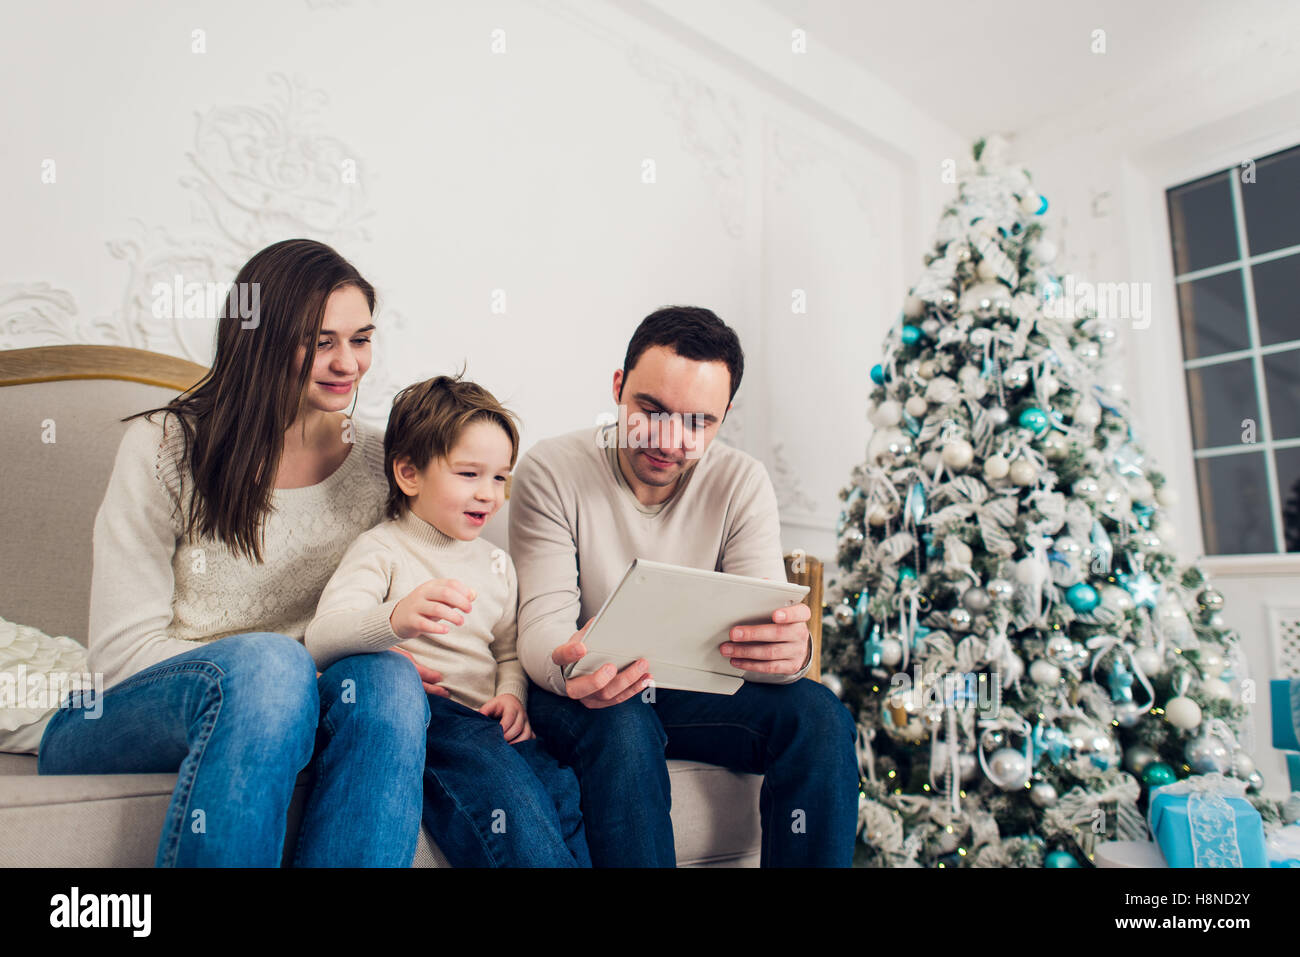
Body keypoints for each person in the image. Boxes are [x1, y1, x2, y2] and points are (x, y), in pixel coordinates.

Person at [38, 239, 430, 867]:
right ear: (261, 338)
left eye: (360, 338)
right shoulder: (164, 445)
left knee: (387, 679)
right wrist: (282, 670)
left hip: (291, 696)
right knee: (271, 668)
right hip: (124, 715)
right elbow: (119, 656)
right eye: (319, 340)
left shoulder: (380, 464)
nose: (347, 363)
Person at [510, 305, 859, 867]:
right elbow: (542, 624)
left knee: (817, 713)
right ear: (619, 388)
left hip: (687, 691)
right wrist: (574, 665)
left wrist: (793, 655)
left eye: (699, 423)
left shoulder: (740, 480)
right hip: (578, 693)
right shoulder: (552, 469)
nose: (670, 440)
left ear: (722, 418)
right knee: (621, 719)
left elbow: (763, 624)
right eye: (651, 410)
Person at [305, 374, 589, 867]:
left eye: (500, 477)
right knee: (504, 793)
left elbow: (506, 651)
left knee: (560, 789)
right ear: (409, 474)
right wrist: (395, 618)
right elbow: (321, 637)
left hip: (488, 724)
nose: (489, 494)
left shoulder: (498, 564)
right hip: (432, 722)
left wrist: (511, 694)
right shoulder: (383, 549)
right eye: (468, 474)